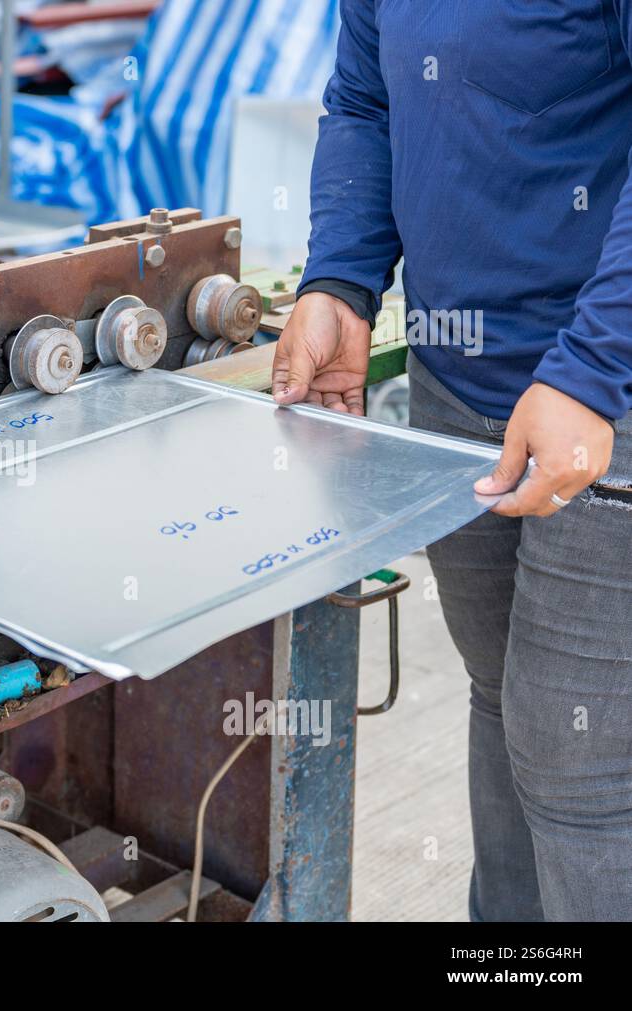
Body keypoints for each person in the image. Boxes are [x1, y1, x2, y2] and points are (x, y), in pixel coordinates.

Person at [275, 1, 632, 920]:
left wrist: (595, 370)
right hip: (457, 388)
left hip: (603, 404)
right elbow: (365, 100)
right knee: (502, 698)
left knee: (578, 758)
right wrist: (341, 282)